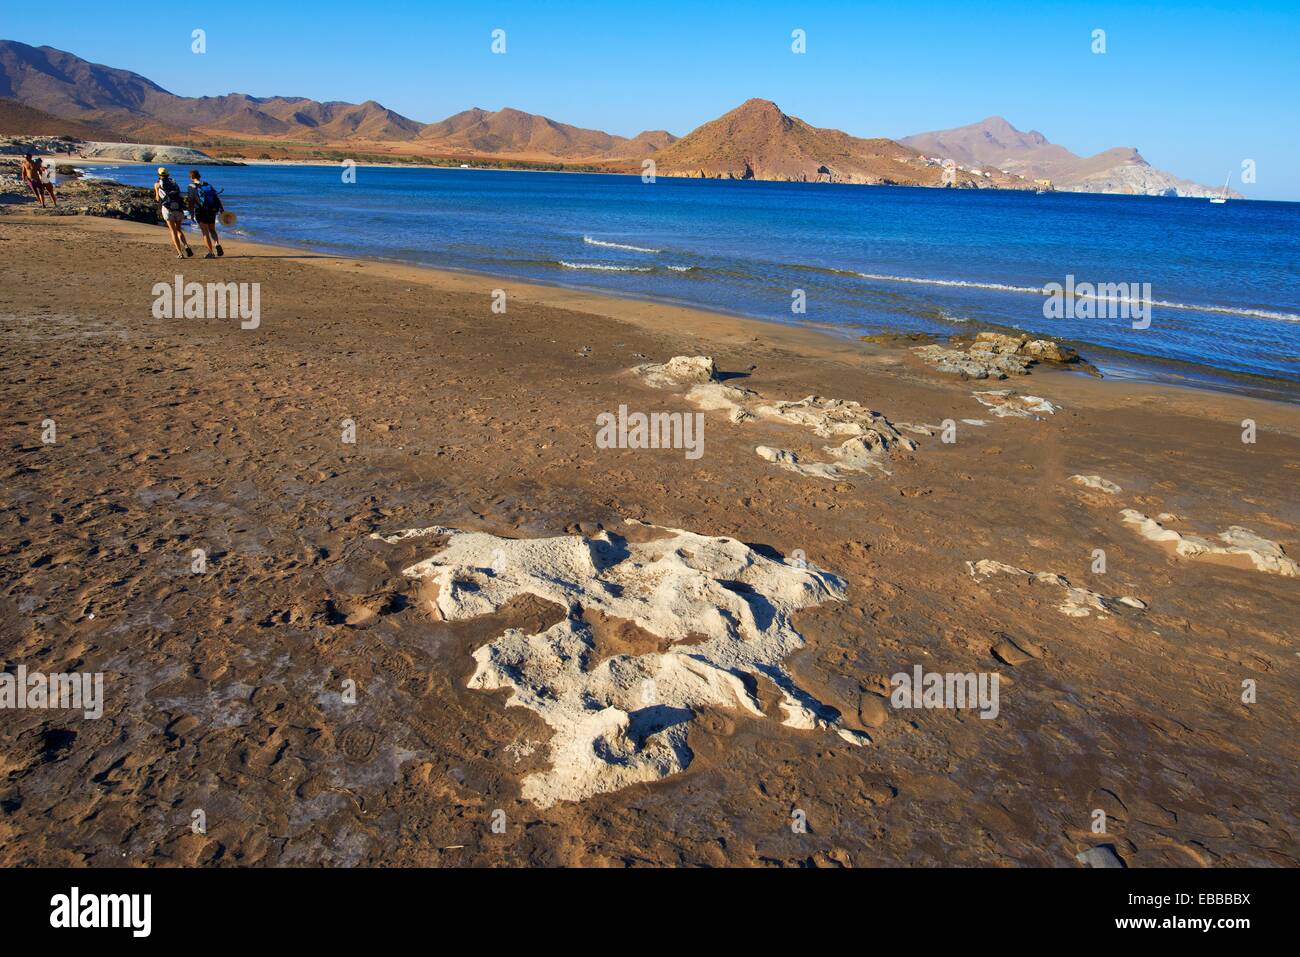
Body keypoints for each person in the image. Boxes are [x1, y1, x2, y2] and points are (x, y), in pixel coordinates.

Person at [154, 167, 193, 258]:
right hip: (178, 208)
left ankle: (180, 253)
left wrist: (156, 190)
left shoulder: (157, 184)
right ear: (168, 174)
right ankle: (186, 246)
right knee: (179, 229)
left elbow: (157, 199)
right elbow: (179, 195)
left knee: (173, 231)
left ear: (159, 175)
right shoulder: (174, 183)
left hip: (168, 210)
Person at [186, 169, 225, 258]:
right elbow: (216, 197)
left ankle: (211, 252)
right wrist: (221, 209)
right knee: (212, 230)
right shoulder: (207, 184)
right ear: (199, 176)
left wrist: (191, 214)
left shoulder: (191, 186)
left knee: (205, 232)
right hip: (212, 210)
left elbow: (191, 201)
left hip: (201, 210)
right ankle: (217, 244)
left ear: (191, 177)